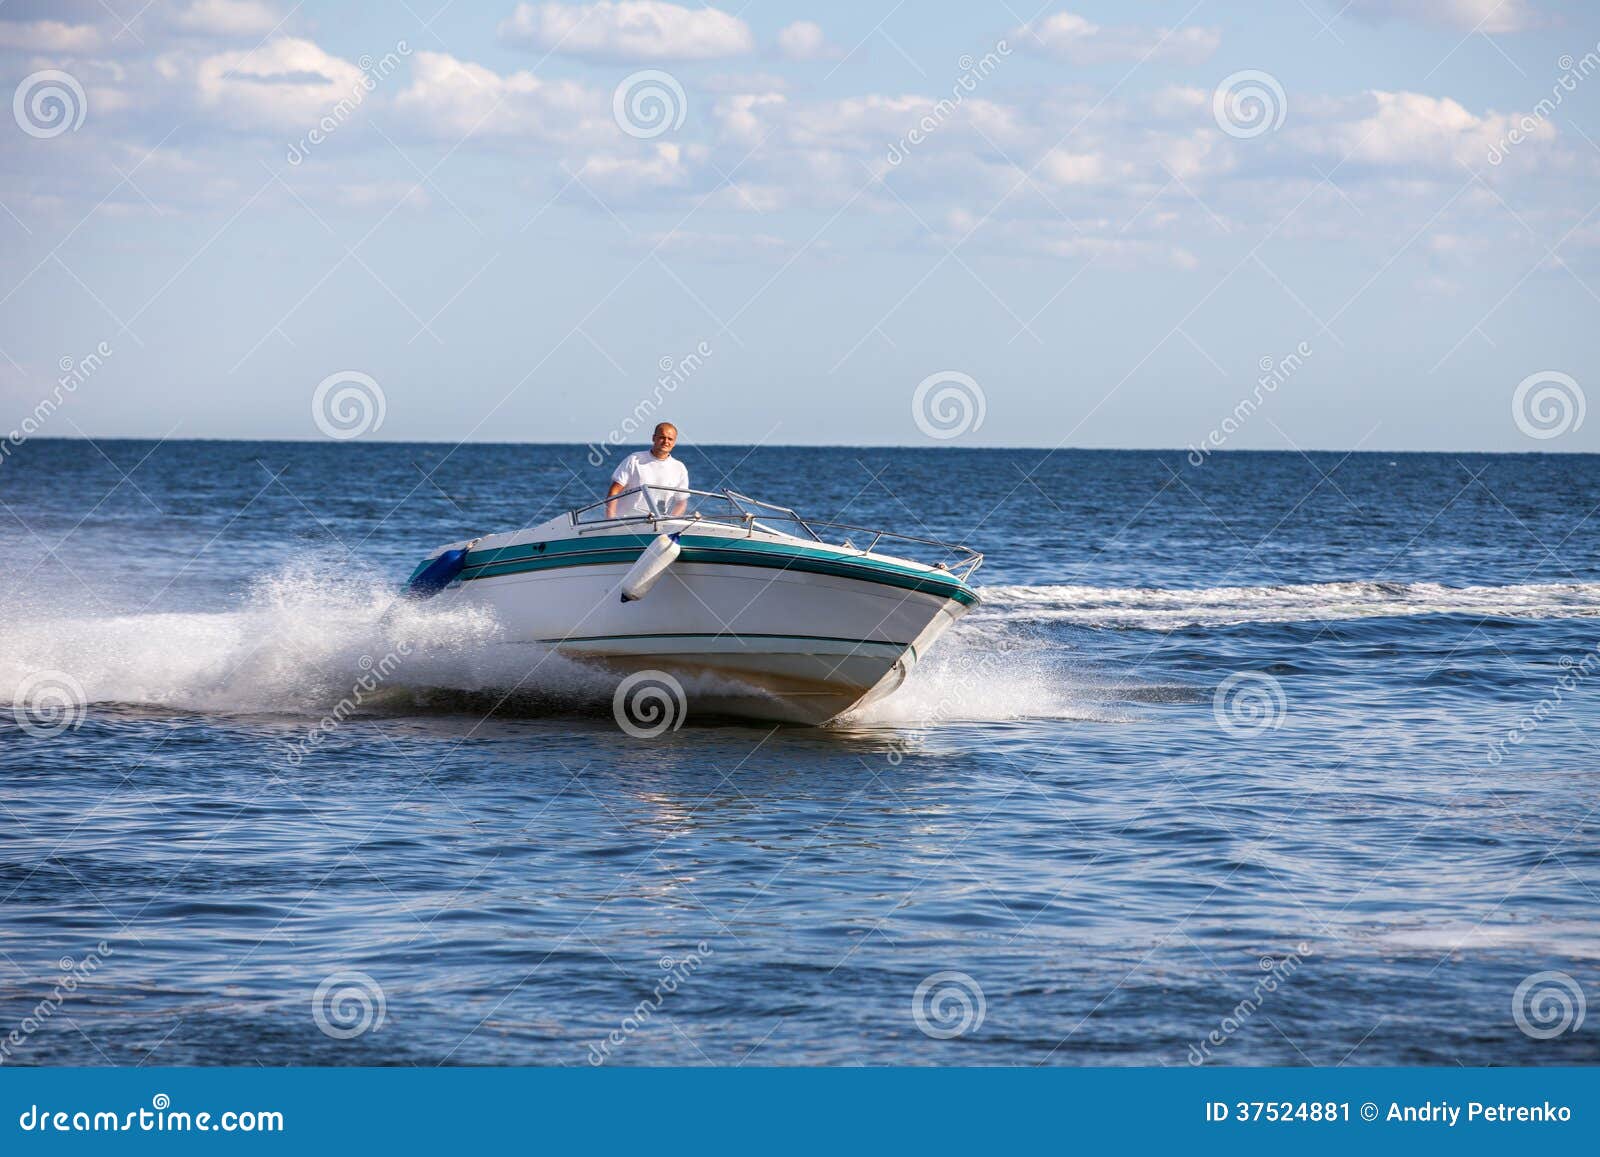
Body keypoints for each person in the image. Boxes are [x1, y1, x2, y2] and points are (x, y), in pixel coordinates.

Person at [606, 422, 689, 518]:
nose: (666, 441)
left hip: (657, 524)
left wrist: (670, 522)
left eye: (670, 439)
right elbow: (614, 491)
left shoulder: (679, 468)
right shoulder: (634, 459)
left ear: (674, 443)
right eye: (662, 437)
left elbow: (681, 502)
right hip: (625, 522)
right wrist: (610, 519)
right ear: (654, 438)